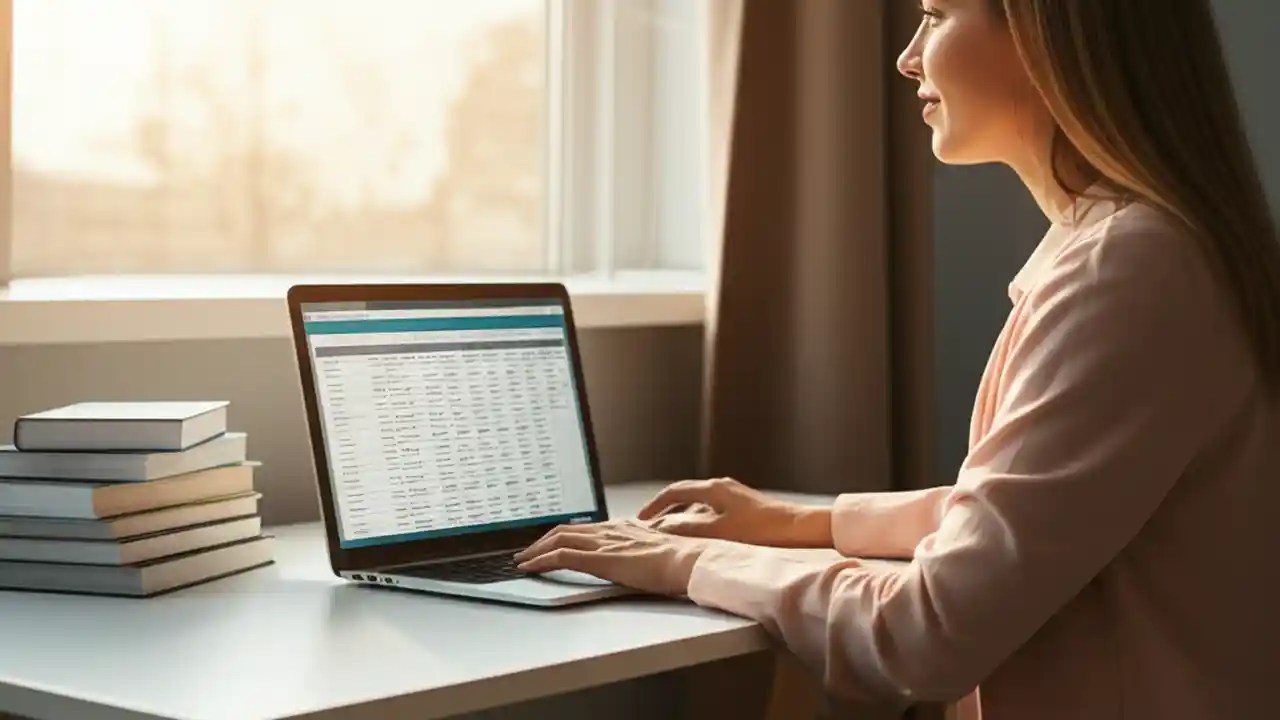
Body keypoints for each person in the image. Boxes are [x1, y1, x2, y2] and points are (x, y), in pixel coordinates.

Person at [514, 1, 1280, 717]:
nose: (908, 59)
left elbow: (925, 633)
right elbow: (1036, 514)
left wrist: (688, 565)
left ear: (1044, 33)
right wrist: (791, 522)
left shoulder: (1131, 271)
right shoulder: (1144, 252)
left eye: (935, 15)